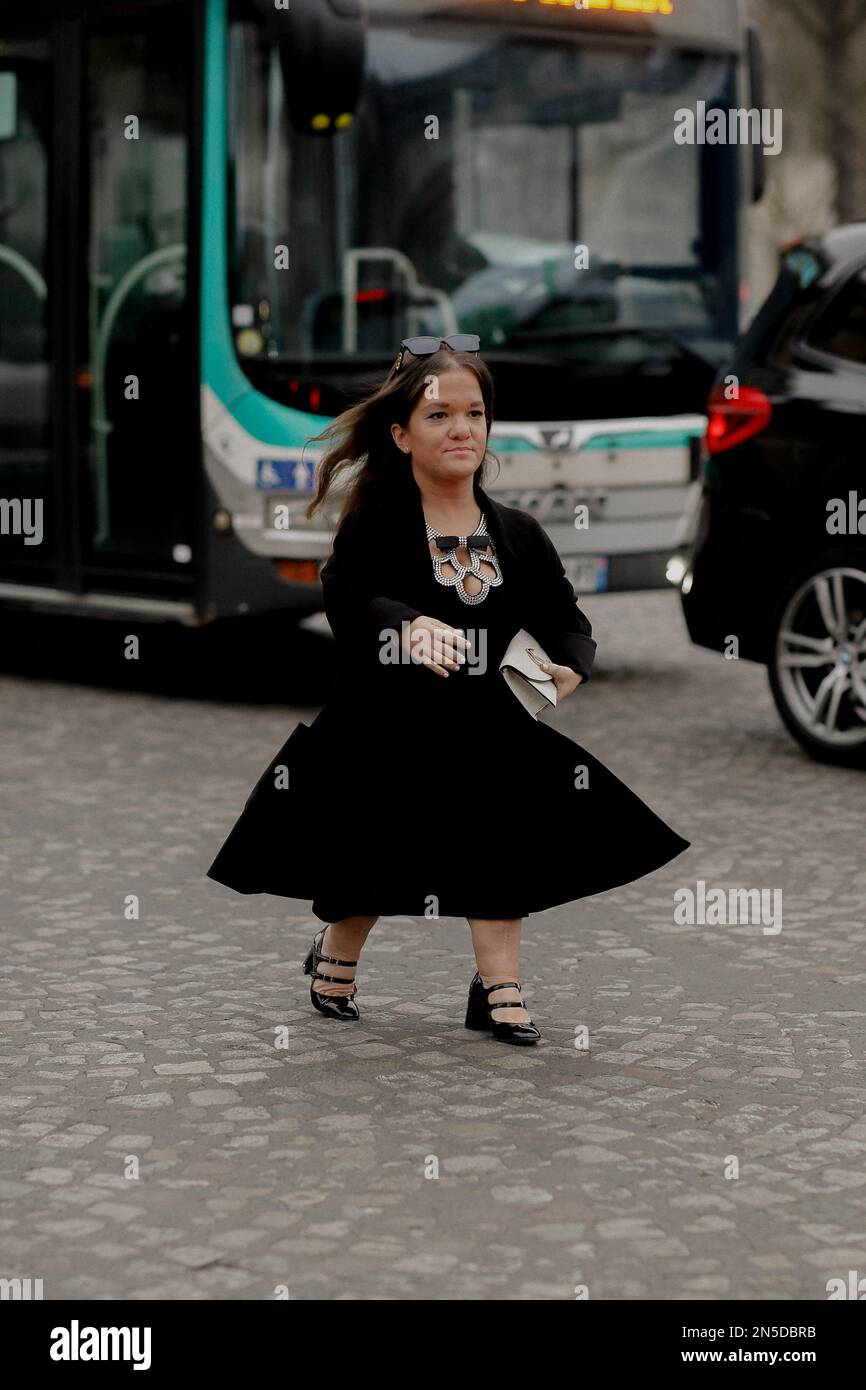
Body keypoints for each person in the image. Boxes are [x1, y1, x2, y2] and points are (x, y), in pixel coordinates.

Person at [206, 335, 690, 1045]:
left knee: (500, 844)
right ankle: (336, 954)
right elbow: (347, 595)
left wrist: (567, 667)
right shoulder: (376, 525)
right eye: (439, 416)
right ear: (401, 435)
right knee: (368, 856)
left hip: (489, 729)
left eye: (475, 413)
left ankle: (498, 987)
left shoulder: (518, 535)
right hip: (383, 728)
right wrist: (404, 626)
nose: (462, 428)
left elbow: (564, 619)